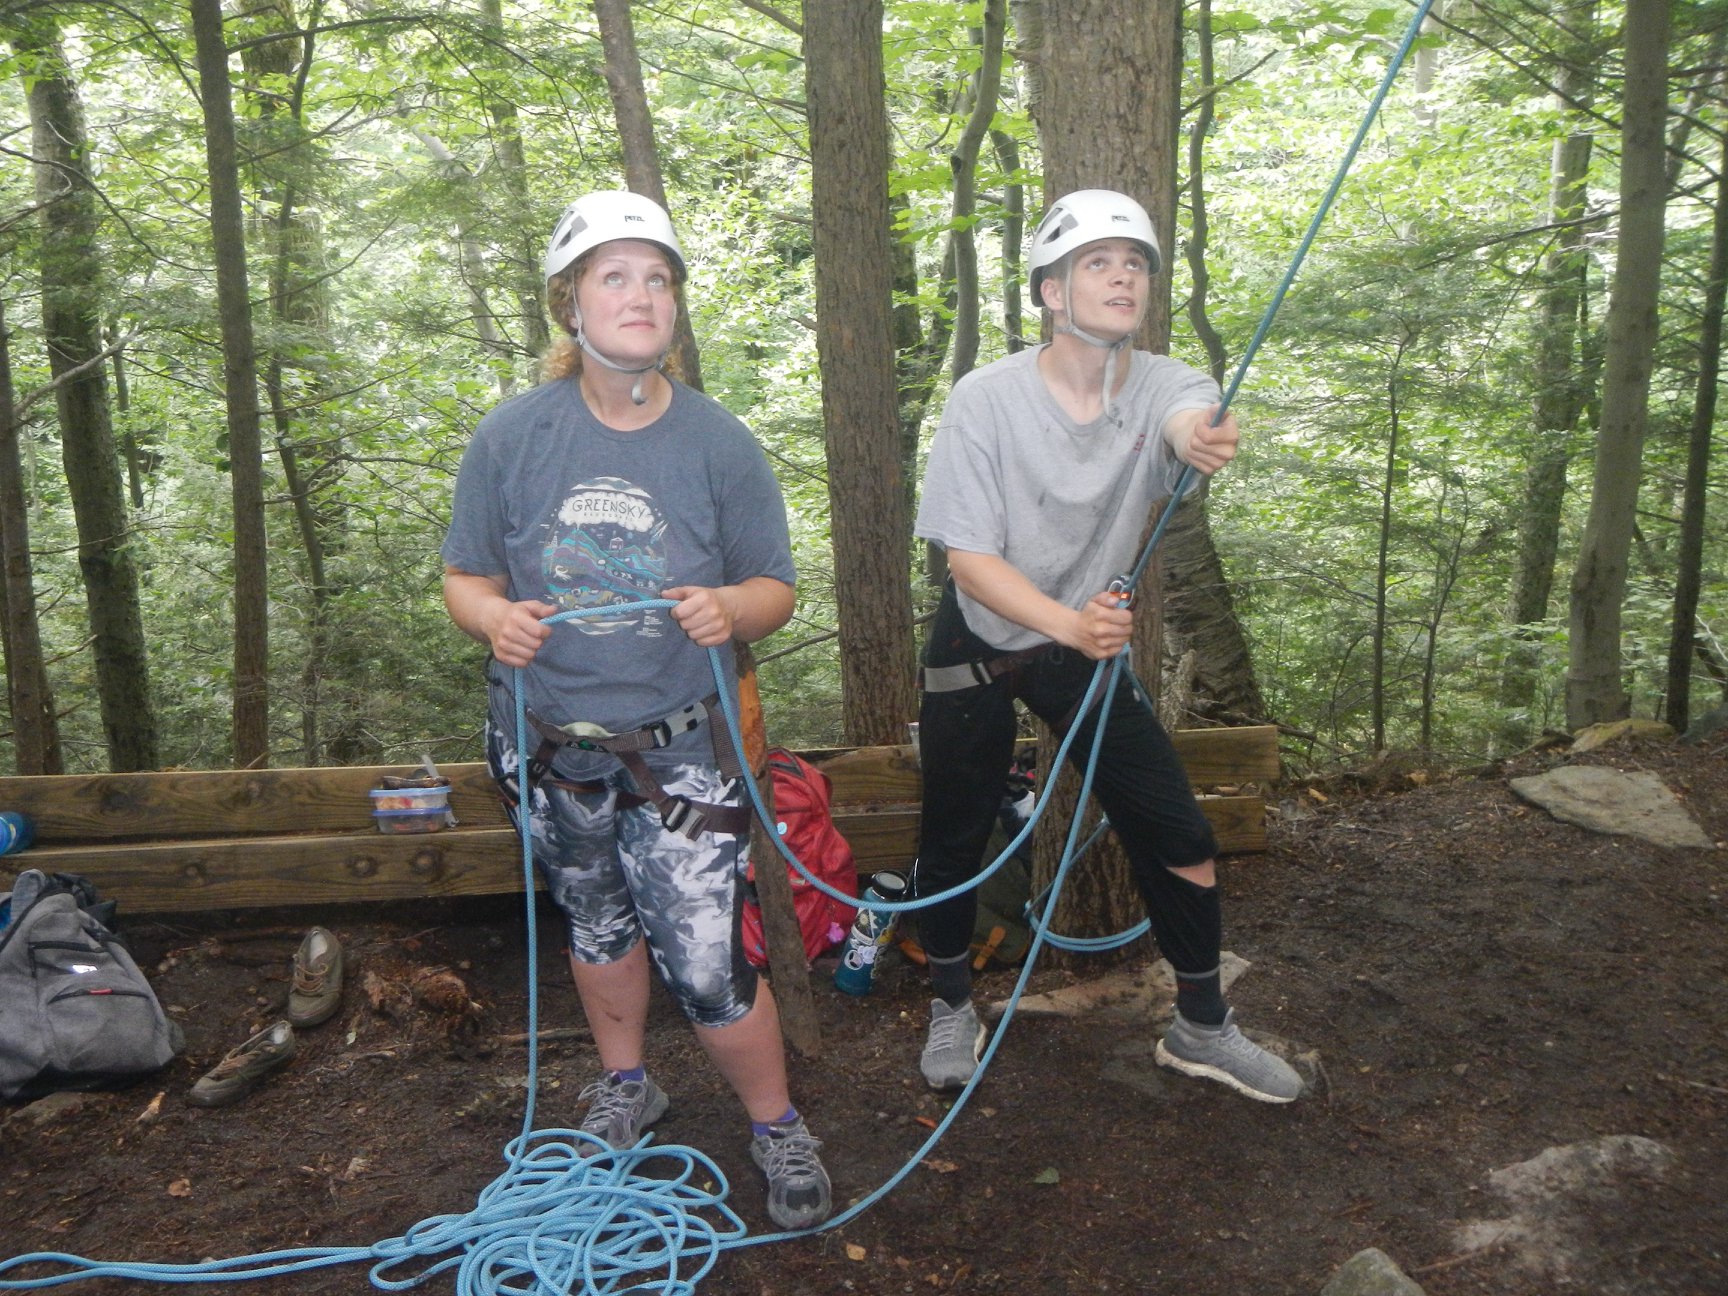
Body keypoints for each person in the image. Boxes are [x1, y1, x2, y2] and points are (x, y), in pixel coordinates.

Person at [441, 190, 831, 1229]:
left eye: (657, 278)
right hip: (548, 739)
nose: (641, 295)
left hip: (681, 749)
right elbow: (465, 574)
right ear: (570, 301)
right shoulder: (514, 437)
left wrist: (728, 608)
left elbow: (775, 591)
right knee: (596, 918)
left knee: (706, 961)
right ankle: (625, 1085)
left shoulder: (717, 442)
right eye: (615, 276)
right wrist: (493, 622)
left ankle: (774, 1119)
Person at [910, 188, 1303, 1104]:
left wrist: (1198, 441)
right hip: (983, 636)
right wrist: (1069, 626)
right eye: (1098, 262)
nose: (1123, 275)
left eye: (1136, 263)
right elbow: (967, 559)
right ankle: (950, 1003)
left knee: (1179, 829)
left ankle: (1203, 1027)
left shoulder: (1170, 384)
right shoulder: (986, 400)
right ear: (1052, 291)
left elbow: (1185, 423)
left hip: (1078, 642)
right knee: (953, 834)